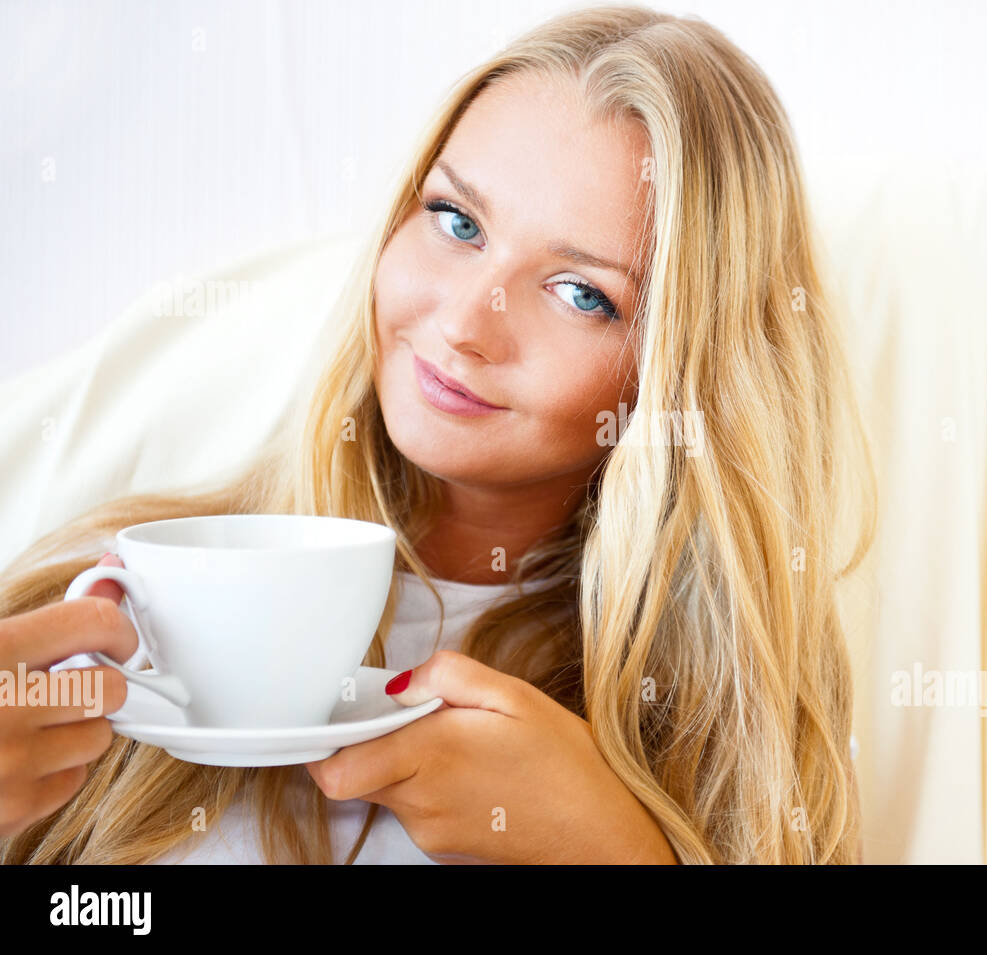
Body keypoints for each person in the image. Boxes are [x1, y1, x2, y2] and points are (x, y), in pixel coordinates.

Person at [0, 3, 875, 865]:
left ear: (681, 377)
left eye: (580, 292)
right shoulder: (102, 596)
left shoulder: (715, 731)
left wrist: (611, 848)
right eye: (458, 222)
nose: (463, 323)